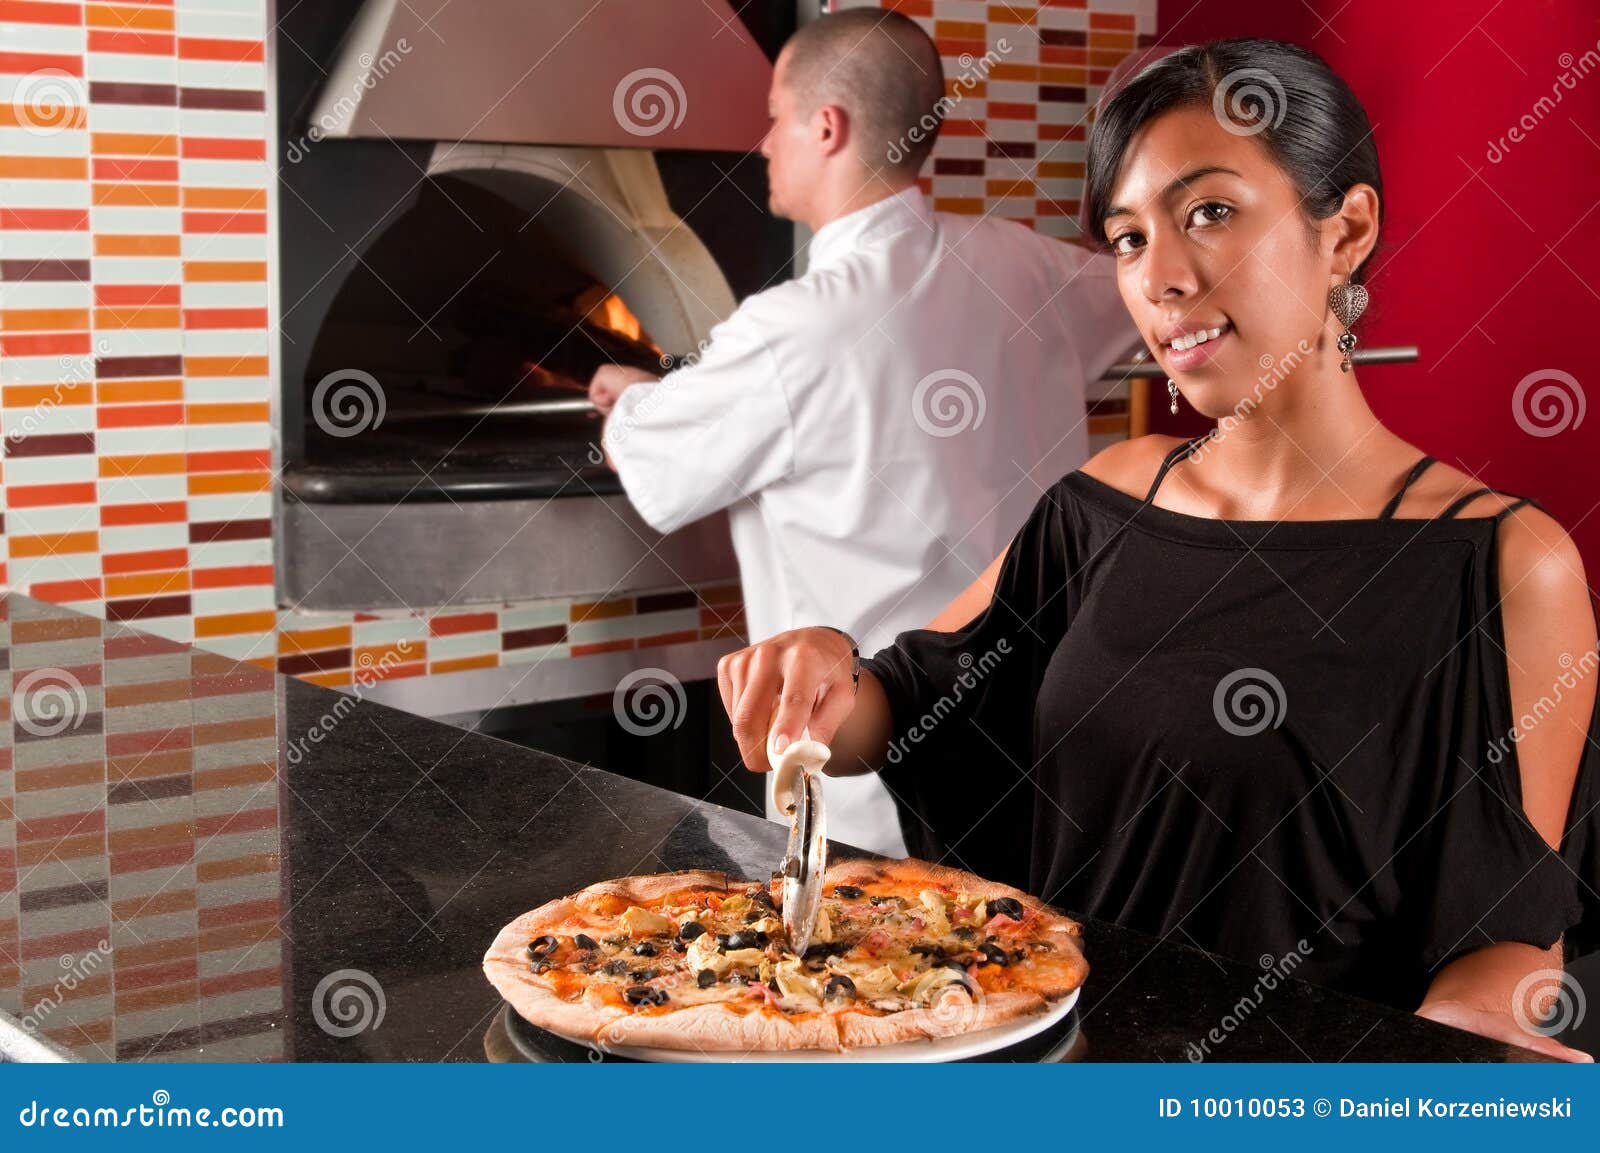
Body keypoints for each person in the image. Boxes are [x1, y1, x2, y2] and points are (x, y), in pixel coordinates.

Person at [713, 38, 1600, 1060]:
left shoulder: (1501, 565)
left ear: (1345, 229)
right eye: (1129, 239)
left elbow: (1508, 942)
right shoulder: (1108, 497)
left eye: (1209, 213)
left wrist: (1476, 1056)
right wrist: (816, 669)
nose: (1161, 277)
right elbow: (903, 706)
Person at [591, 9, 1136, 856]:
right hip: (1045, 747)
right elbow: (1144, 295)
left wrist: (628, 397)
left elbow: (661, 464)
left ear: (827, 126)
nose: (766, 142)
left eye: (776, 117)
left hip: (873, 782)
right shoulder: (1031, 268)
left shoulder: (790, 327)